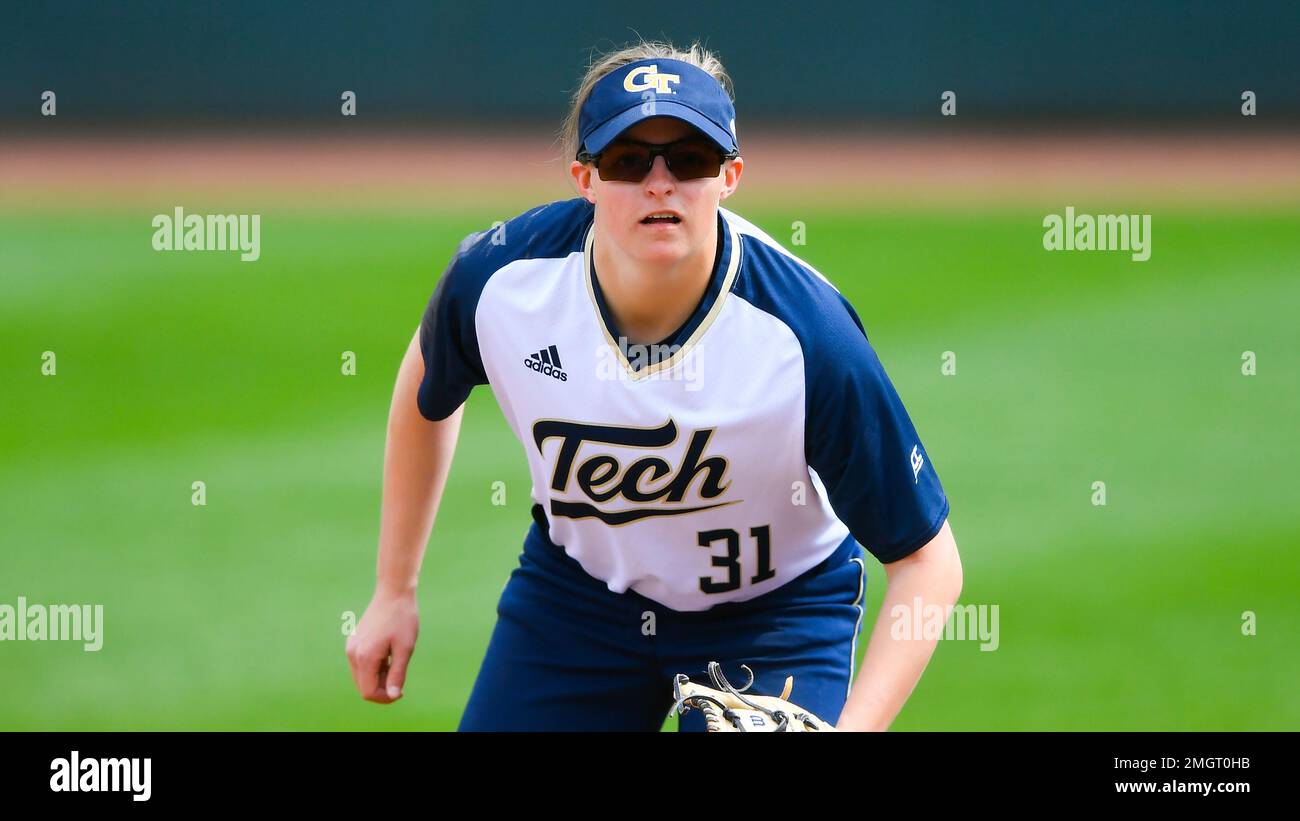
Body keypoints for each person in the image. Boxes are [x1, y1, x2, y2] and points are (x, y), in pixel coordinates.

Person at [345, 40, 963, 731]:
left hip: (775, 614)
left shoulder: (804, 336)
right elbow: (429, 381)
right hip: (578, 603)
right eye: (628, 160)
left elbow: (927, 560)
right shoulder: (502, 281)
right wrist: (393, 589)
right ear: (584, 177)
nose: (659, 182)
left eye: (690, 158)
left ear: (730, 175)